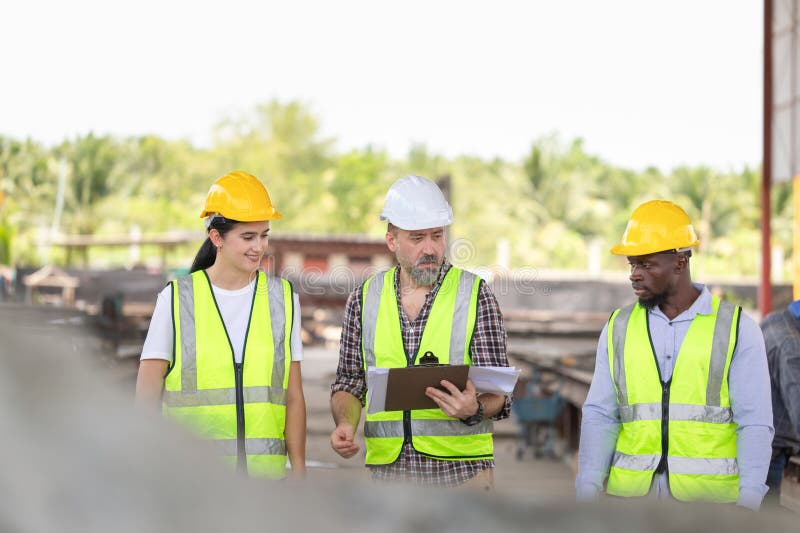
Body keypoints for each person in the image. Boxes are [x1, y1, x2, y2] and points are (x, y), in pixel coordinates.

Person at [576, 200, 773, 510]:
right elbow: (601, 415)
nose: (635, 275)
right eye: (632, 264)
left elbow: (756, 424)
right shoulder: (619, 327)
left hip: (709, 507)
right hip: (629, 501)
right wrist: (585, 495)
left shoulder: (736, 329)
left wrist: (748, 504)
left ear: (680, 263)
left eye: (646, 264)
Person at [329, 174, 511, 489]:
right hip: (390, 479)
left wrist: (476, 407)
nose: (430, 249)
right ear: (392, 241)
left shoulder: (474, 294)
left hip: (462, 478)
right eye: (417, 238)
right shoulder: (364, 298)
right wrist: (345, 423)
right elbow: (350, 382)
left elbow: (499, 394)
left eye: (437, 236)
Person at [135, 170, 306, 480]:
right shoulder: (176, 299)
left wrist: (299, 472)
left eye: (264, 235)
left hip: (264, 485)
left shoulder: (283, 299)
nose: (259, 246)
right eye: (248, 237)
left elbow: (293, 397)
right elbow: (146, 394)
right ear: (217, 238)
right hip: (193, 483)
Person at [759, 300, 800, 504]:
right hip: (772, 450)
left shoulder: (773, 320)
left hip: (756, 440)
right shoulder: (792, 347)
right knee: (765, 517)